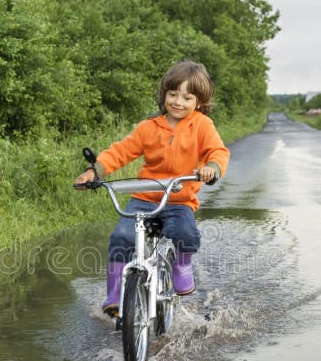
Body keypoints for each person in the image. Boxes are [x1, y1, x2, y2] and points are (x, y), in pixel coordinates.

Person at [73, 60, 230, 317]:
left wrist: (211, 167)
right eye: (173, 94)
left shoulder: (202, 126)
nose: (178, 102)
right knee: (121, 237)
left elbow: (218, 151)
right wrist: (94, 171)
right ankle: (114, 294)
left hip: (179, 199)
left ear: (198, 102)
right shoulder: (148, 127)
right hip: (144, 198)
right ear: (164, 94)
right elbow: (121, 152)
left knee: (184, 232)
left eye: (187, 97)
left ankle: (181, 265)